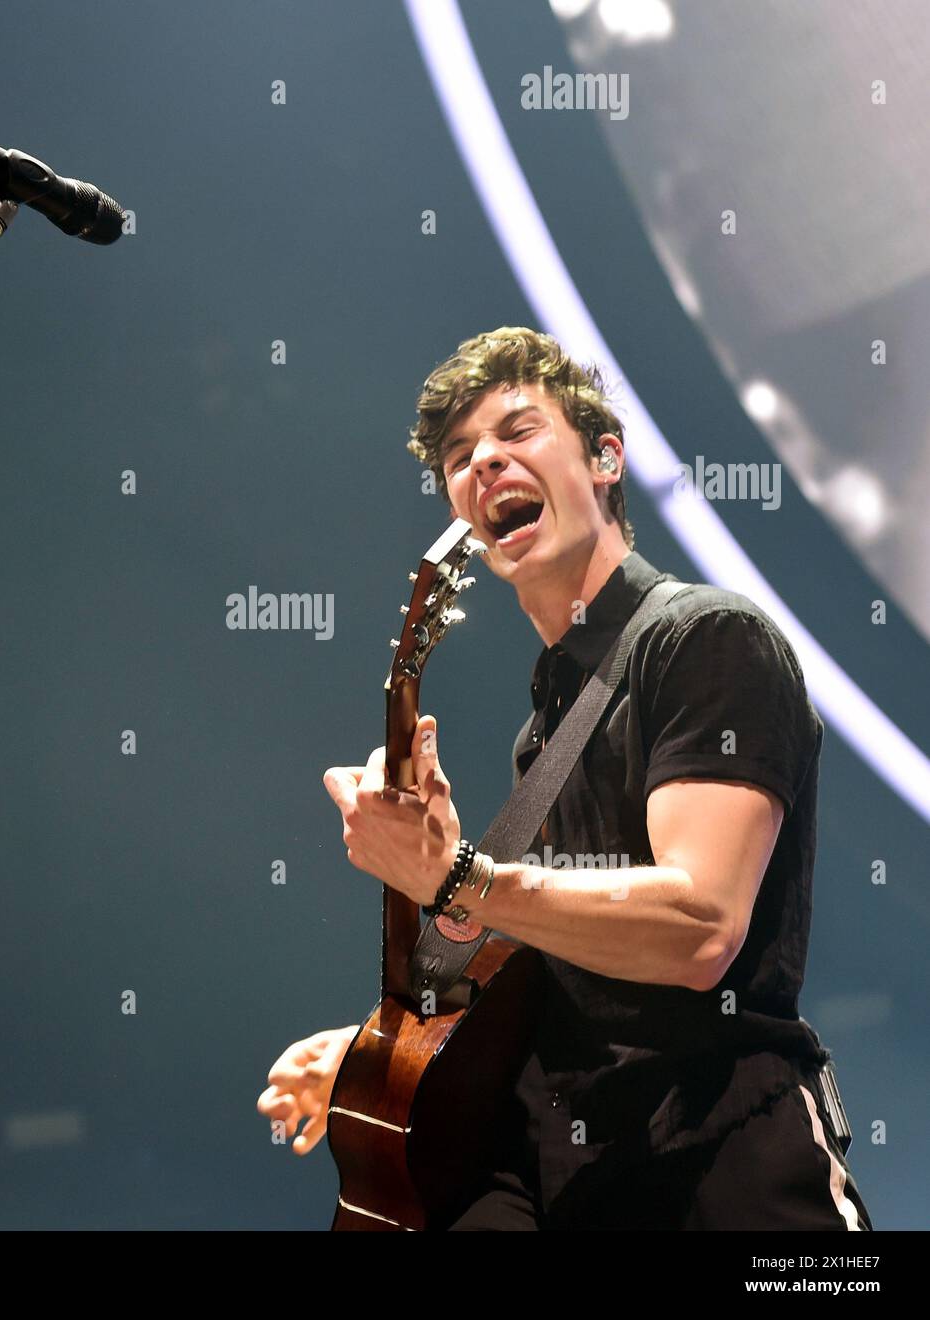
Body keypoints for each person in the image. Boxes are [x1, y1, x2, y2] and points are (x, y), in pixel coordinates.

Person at [256, 327, 873, 1230]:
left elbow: (698, 930)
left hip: (728, 1162)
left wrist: (462, 875)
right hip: (580, 1175)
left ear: (607, 458)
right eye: (461, 458)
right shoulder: (540, 731)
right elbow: (553, 973)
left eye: (518, 432)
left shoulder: (706, 639)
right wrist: (375, 1052)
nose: (484, 463)